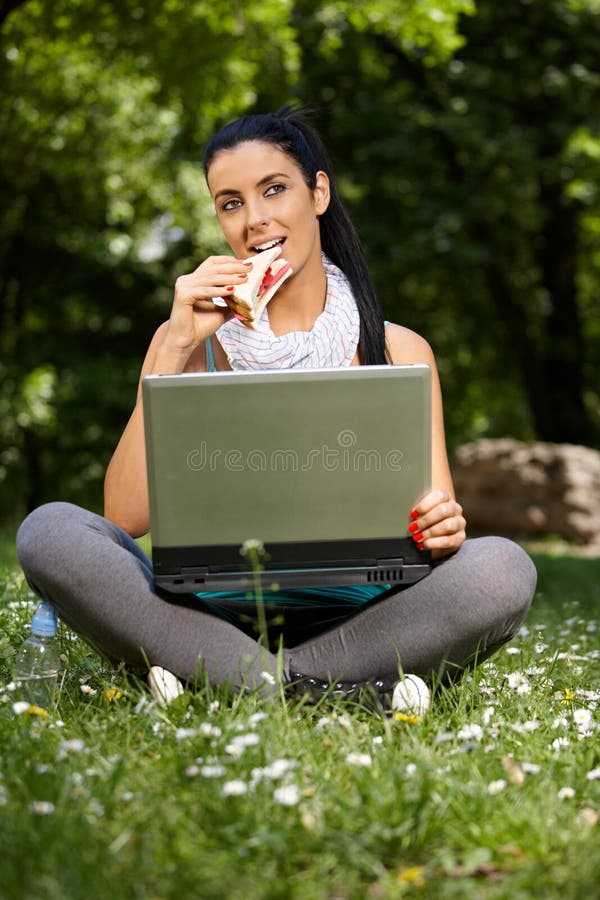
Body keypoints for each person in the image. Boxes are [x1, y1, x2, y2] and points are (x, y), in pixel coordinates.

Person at [15, 107, 536, 710]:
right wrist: (176, 345)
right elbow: (125, 515)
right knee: (50, 530)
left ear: (318, 192)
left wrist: (444, 527)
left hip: (360, 621)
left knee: (502, 567)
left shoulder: (398, 349)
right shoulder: (186, 342)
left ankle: (252, 686)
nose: (255, 219)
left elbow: (433, 534)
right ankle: (324, 692)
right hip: (207, 619)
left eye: (274, 189)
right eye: (230, 202)